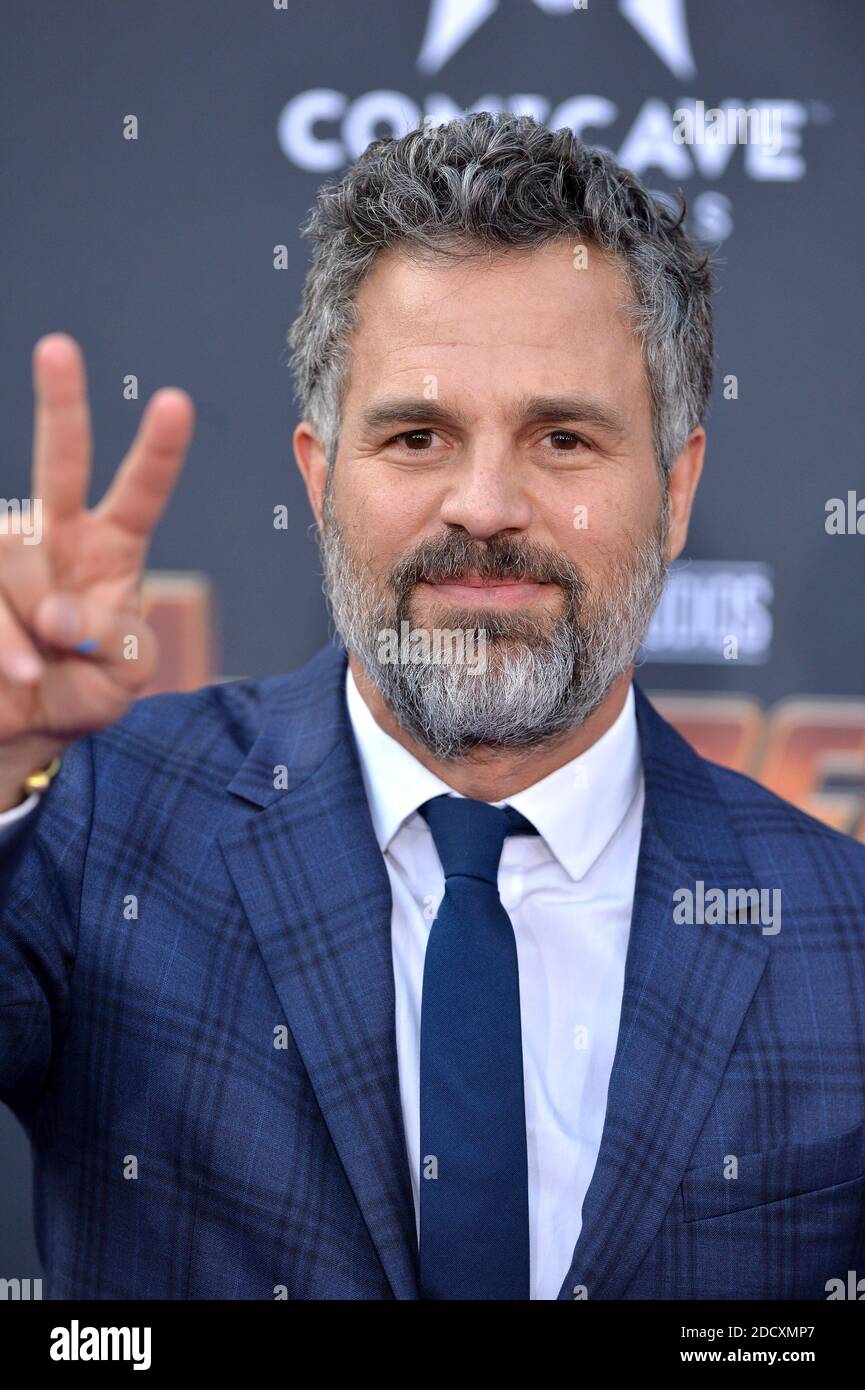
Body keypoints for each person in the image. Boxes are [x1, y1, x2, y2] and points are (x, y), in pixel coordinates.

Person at [1, 113, 863, 1301]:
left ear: (674, 491)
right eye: (417, 435)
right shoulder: (96, 828)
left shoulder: (842, 934)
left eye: (562, 437)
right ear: (317, 478)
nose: (484, 503)